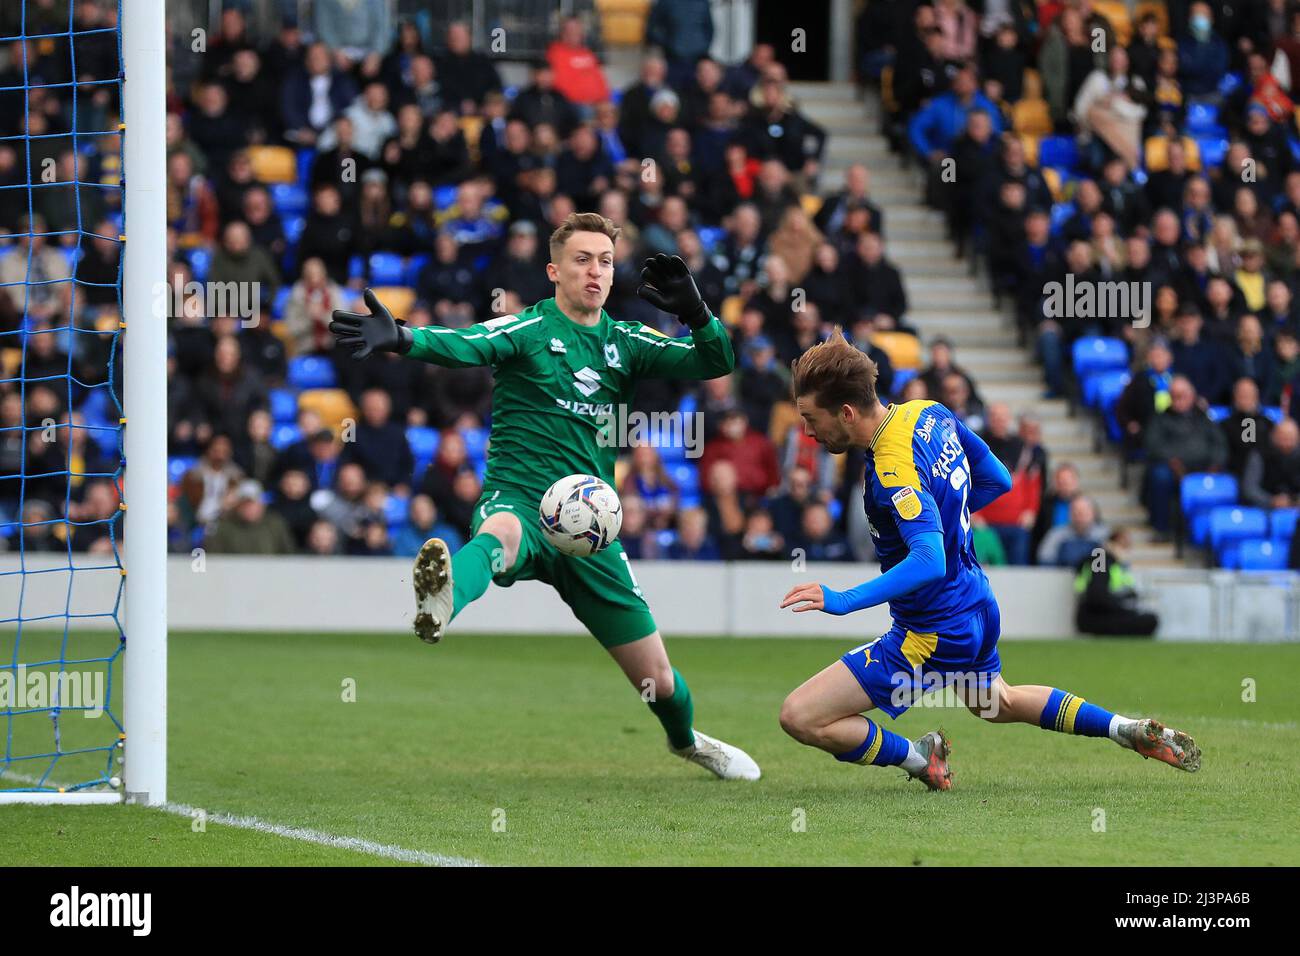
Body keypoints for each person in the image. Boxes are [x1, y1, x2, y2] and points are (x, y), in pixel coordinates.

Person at [329, 213, 760, 781]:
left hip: (591, 531)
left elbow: (717, 361)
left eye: (605, 261)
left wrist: (697, 312)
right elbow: (464, 343)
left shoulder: (628, 342)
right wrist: (405, 338)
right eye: (583, 259)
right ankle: (442, 599)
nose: (596, 271)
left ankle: (686, 742)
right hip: (522, 500)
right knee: (500, 535)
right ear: (554, 270)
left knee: (658, 677)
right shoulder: (526, 330)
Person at [775, 329, 1201, 791]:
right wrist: (943, 517)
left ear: (846, 412)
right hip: (976, 604)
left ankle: (920, 761)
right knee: (997, 703)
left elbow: (928, 559)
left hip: (931, 631)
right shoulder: (928, 413)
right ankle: (1124, 728)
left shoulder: (891, 466)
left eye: (810, 418)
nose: (808, 433)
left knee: (801, 716)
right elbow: (998, 478)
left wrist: (843, 600)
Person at [1074, 528, 1159, 637]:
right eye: (1122, 545)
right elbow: (1097, 596)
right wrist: (1123, 606)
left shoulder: (1113, 564)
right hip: (1094, 617)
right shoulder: (1101, 559)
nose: (1125, 550)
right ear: (1110, 544)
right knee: (1149, 621)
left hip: (1105, 614)